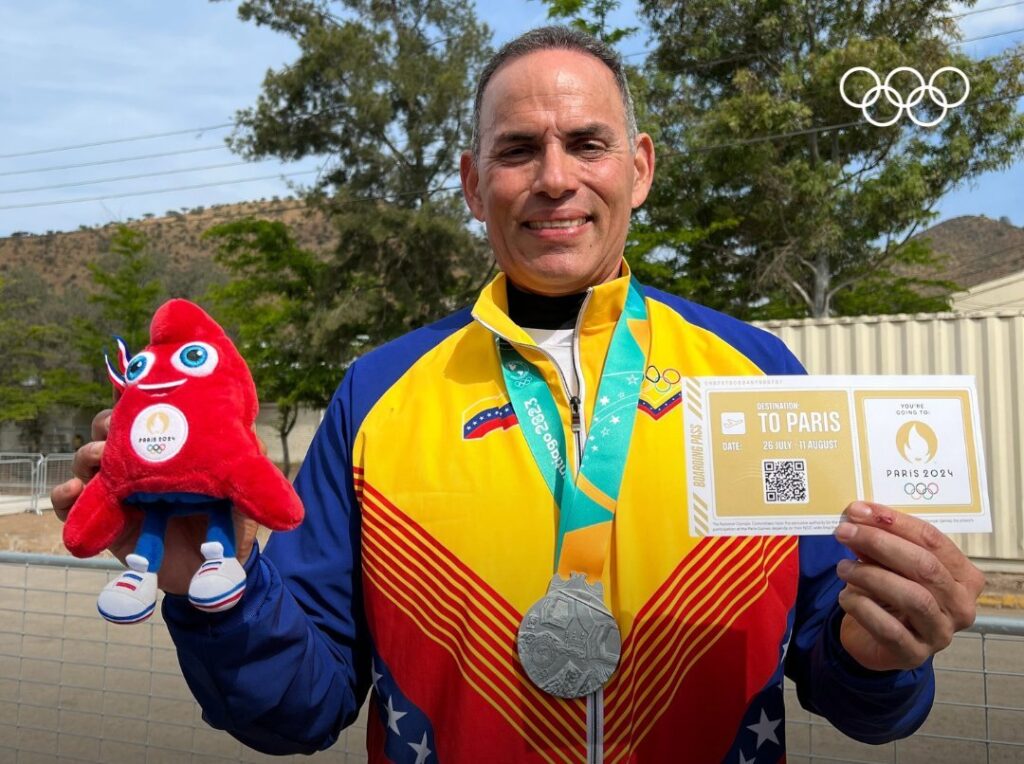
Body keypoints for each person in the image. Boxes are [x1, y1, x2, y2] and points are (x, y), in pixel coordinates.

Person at [53, 26, 985, 763]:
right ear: (471, 182)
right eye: (517, 150)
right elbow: (300, 709)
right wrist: (218, 593)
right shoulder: (377, 395)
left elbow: (848, 680)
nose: (554, 178)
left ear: (641, 167)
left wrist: (884, 649)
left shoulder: (757, 371)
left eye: (587, 143)